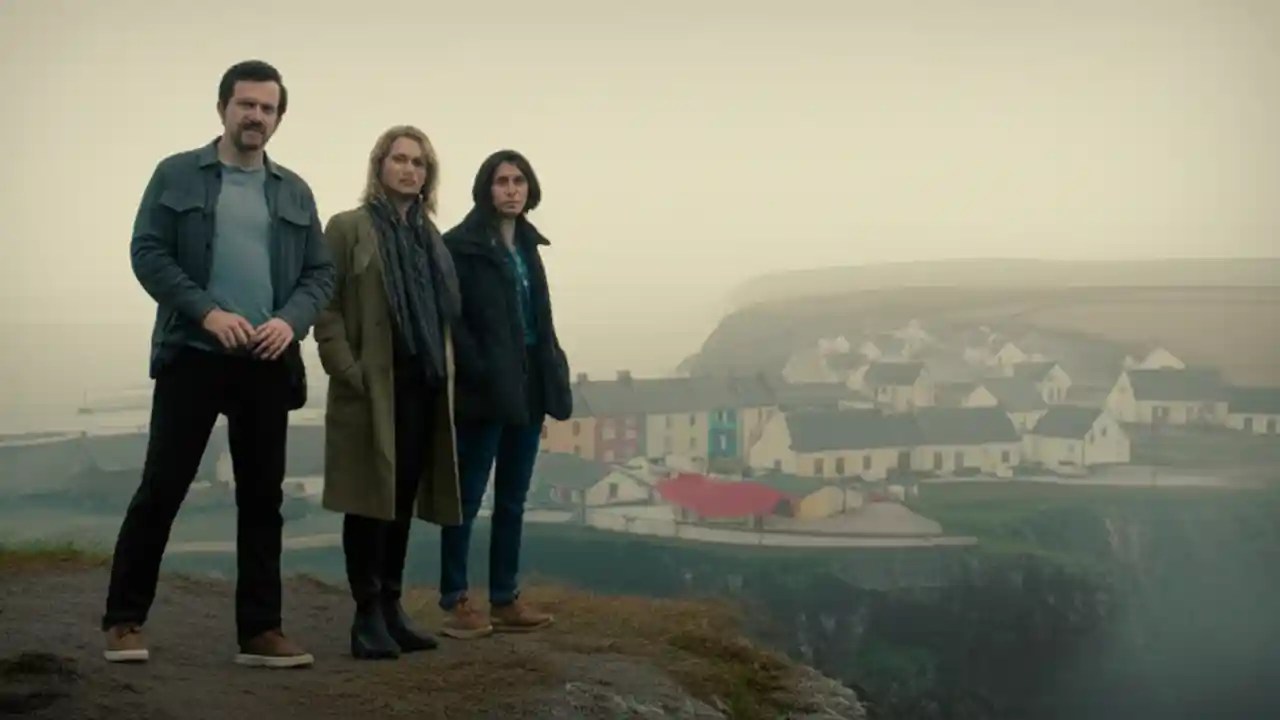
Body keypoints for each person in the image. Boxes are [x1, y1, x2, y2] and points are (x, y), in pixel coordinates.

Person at [101, 60, 335, 668]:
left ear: (279, 117)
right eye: (246, 104)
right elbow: (147, 252)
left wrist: (291, 321)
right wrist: (206, 312)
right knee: (162, 488)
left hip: (268, 361)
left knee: (263, 500)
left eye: (268, 108)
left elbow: (320, 273)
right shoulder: (176, 174)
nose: (256, 116)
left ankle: (260, 632)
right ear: (223, 108)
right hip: (193, 356)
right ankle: (125, 621)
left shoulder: (294, 190)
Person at [313, 126, 465, 660]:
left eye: (419, 163)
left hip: (422, 386)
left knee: (400, 500)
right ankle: (365, 615)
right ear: (379, 166)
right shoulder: (349, 228)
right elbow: (323, 304)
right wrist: (345, 368)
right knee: (368, 501)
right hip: (373, 387)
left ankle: (393, 608)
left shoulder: (430, 236)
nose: (408, 170)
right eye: (399, 160)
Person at [437, 150, 574, 639]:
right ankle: (455, 599)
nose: (512, 190)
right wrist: (477, 370)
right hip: (483, 391)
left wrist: (551, 374)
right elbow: (454, 319)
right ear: (486, 189)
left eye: (519, 181)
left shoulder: (528, 246)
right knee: (469, 497)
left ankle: (504, 598)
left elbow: (539, 320)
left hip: (528, 388)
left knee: (513, 499)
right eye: (502, 182)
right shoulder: (461, 246)